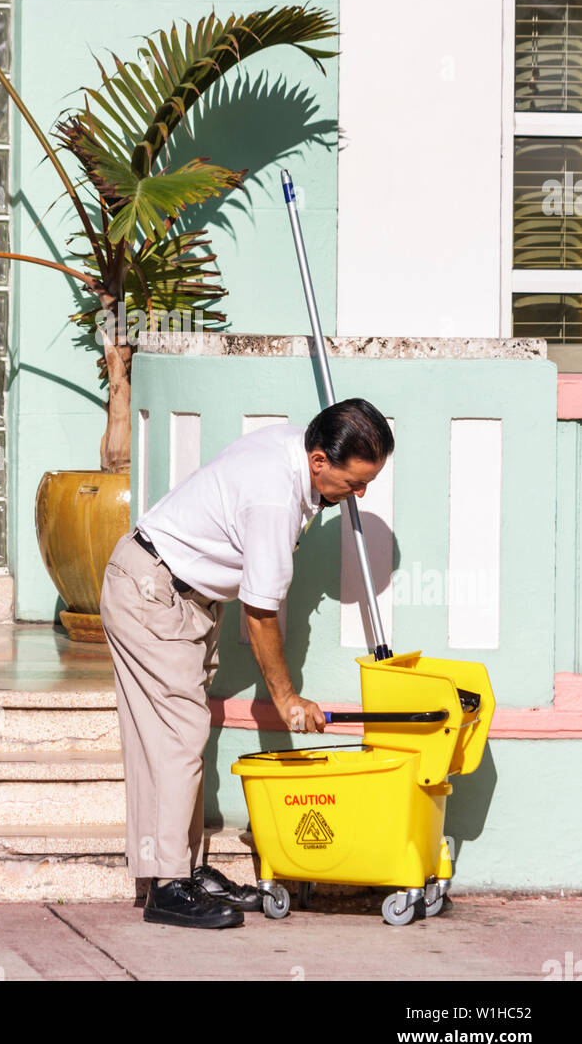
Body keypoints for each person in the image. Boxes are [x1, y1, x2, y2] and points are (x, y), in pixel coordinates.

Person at [99, 397, 394, 929]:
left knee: (180, 736)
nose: (360, 494)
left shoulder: (296, 446)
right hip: (154, 590)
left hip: (178, 594)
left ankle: (184, 869)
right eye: (355, 483)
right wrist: (285, 698)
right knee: (177, 736)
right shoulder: (275, 499)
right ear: (320, 460)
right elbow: (260, 615)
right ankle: (167, 888)